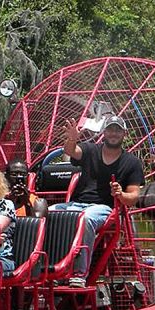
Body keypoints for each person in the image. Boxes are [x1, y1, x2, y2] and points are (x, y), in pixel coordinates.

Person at [54, 115, 144, 288]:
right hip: (77, 203)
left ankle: (79, 274)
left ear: (124, 134)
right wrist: (72, 139)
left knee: (85, 218)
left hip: (105, 208)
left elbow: (133, 196)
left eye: (118, 130)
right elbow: (72, 151)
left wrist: (120, 194)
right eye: (110, 129)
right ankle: (51, 268)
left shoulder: (132, 163)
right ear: (104, 132)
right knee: (49, 213)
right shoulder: (90, 150)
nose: (113, 133)